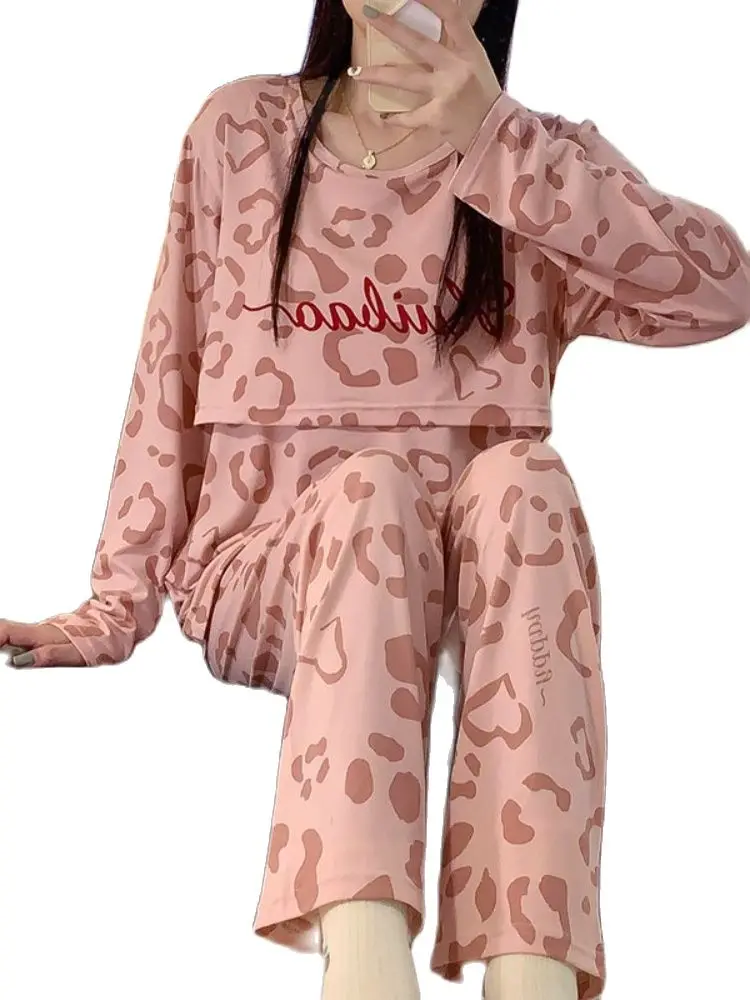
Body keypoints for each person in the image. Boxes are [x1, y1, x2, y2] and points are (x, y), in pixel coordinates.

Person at [3, 1, 749, 998]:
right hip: (267, 569)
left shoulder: (537, 165)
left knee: (528, 484)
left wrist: (500, 144)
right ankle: (364, 964)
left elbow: (721, 290)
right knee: (374, 491)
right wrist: (113, 605)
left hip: (477, 577)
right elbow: (167, 368)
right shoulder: (241, 134)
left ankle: (531, 969)